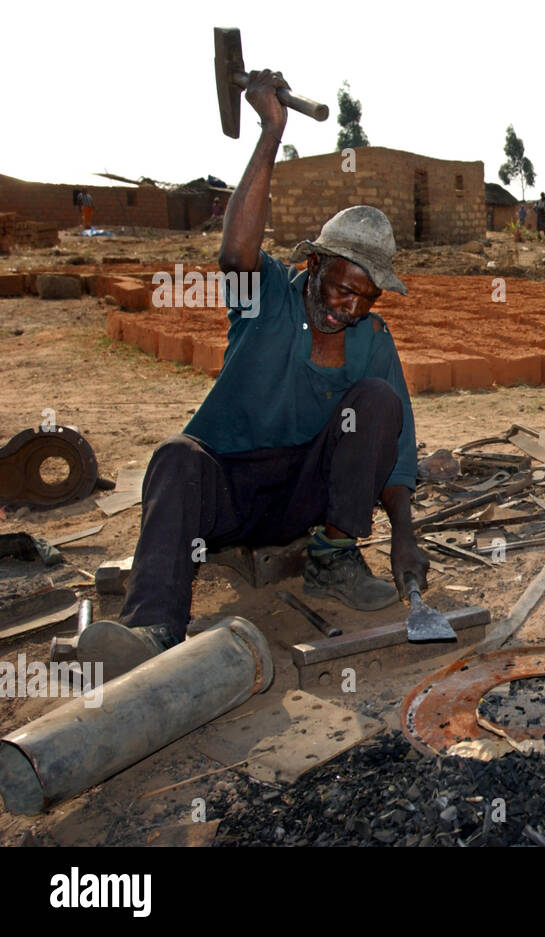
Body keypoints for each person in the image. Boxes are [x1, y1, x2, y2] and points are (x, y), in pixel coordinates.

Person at [76, 68, 429, 679]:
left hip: (304, 497)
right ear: (312, 264)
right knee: (174, 458)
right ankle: (154, 629)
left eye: (366, 298)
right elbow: (234, 254)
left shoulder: (371, 340)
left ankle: (333, 557)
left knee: (377, 401)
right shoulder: (265, 295)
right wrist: (271, 131)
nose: (349, 307)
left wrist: (404, 533)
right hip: (229, 492)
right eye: (343, 288)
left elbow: (394, 454)